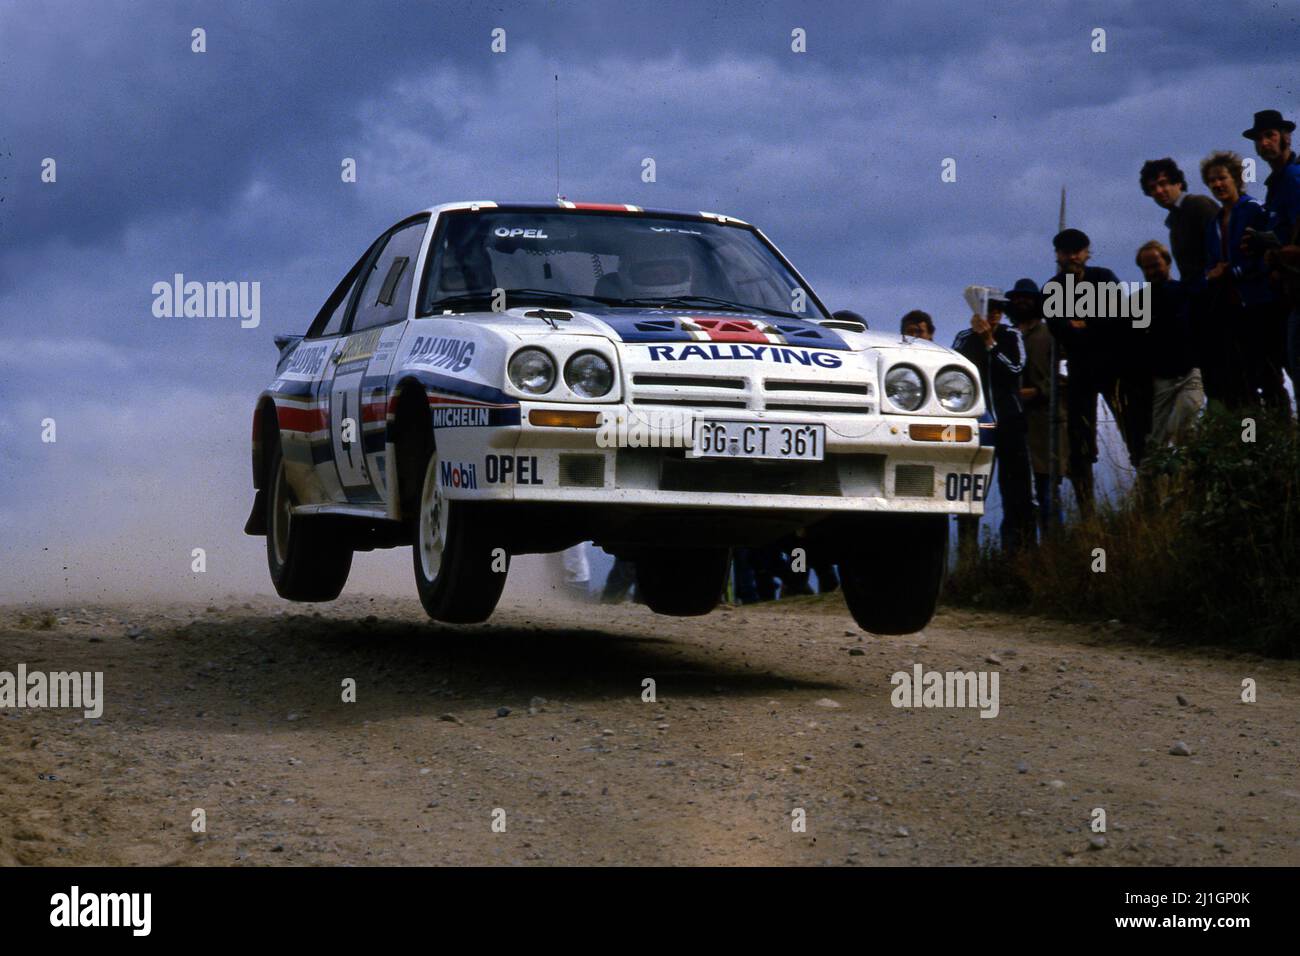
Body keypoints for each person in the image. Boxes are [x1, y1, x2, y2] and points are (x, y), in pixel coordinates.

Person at [1042, 229, 1145, 517]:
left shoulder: (1103, 277)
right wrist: (1090, 324)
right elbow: (1060, 329)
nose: (1073, 256)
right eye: (1066, 251)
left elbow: (1121, 319)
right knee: (1079, 440)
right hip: (1080, 372)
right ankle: (1088, 514)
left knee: (1133, 429)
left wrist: (1086, 324)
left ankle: (1149, 493)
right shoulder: (1053, 288)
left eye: (1078, 250)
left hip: (1115, 368)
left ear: (1087, 252)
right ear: (1058, 255)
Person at [1201, 150, 1288, 410]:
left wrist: (1234, 271)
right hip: (1231, 308)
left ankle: (1281, 435)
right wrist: (1213, 274)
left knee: (1270, 373)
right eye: (1212, 181)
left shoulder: (1252, 210)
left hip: (1260, 302)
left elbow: (1270, 250)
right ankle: (1251, 439)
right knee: (1243, 377)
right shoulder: (1214, 223)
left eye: (1222, 178)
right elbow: (1211, 262)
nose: (1217, 185)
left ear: (1236, 178)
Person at [952, 291, 1033, 560]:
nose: (995, 313)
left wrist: (990, 343)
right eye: (990, 308)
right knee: (972, 491)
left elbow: (1016, 369)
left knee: (1016, 491)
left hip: (1010, 422)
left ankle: (1016, 555)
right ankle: (968, 559)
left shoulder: (1012, 336)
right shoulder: (964, 339)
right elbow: (955, 374)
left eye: (999, 308)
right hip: (978, 423)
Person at [1005, 278, 1068, 537]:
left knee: (1047, 490)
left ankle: (1056, 549)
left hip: (1046, 425)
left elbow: (1065, 375)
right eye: (1017, 297)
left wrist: (1038, 391)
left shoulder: (1051, 334)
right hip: (1015, 427)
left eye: (1027, 298)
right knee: (1016, 495)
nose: (1022, 302)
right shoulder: (1008, 338)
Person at [1244, 110, 1300, 388]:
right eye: (1259, 138)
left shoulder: (1293, 178)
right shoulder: (1276, 183)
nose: (1264, 143)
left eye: (1270, 135)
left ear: (1286, 137)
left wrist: (1274, 253)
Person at [1135, 241, 1205, 448]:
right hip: (1161, 378)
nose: (1151, 271)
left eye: (1156, 265)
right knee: (1157, 440)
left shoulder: (1185, 292)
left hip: (1189, 371)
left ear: (1167, 263)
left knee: (1184, 421)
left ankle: (1192, 471)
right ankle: (1159, 478)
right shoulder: (1139, 302)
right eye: (1146, 268)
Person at [1139, 157, 1220, 283]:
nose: (1158, 191)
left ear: (1178, 183)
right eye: (1153, 188)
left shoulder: (1198, 204)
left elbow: (1224, 240)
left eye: (1163, 183)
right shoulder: (1175, 221)